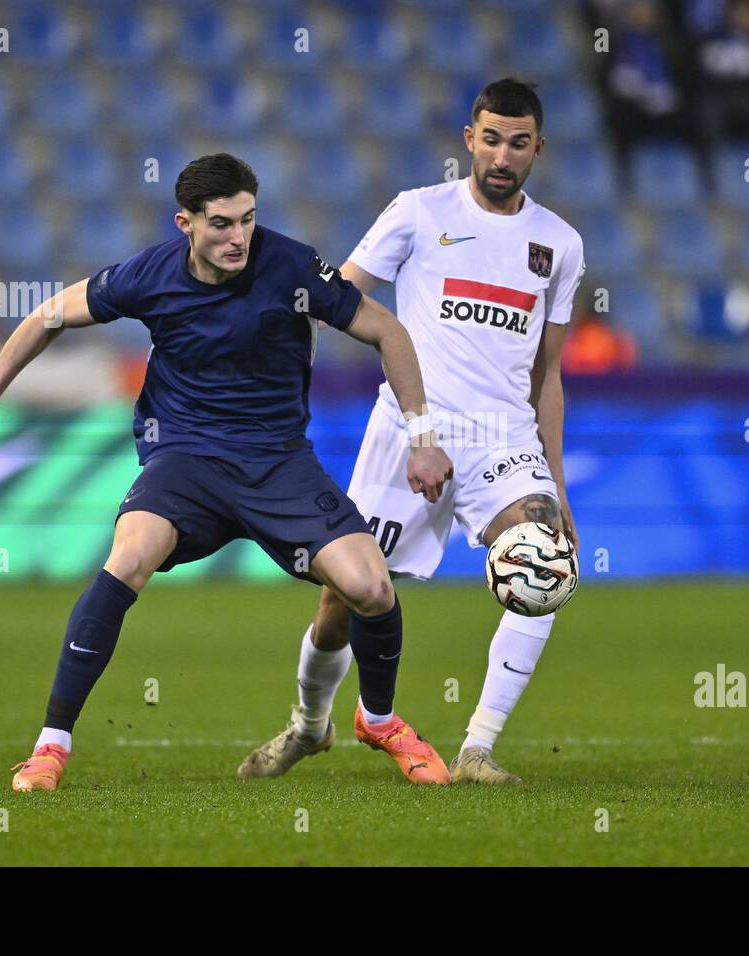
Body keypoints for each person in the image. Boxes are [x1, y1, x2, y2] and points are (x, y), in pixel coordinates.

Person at [0, 153, 454, 790]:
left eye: (247, 220)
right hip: (184, 457)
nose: (239, 237)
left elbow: (388, 330)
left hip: (277, 462)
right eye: (221, 224)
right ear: (185, 222)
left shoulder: (292, 266)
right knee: (128, 557)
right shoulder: (149, 275)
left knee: (372, 588)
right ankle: (50, 747)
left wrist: (423, 438)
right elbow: (48, 315)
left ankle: (377, 719)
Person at [239, 79, 585, 786]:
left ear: (537, 149)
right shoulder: (418, 213)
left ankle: (478, 747)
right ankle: (310, 726)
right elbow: (340, 299)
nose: (502, 155)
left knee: (546, 561)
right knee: (343, 601)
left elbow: (548, 375)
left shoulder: (558, 244)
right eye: (490, 138)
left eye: (518, 143)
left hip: (503, 436)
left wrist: (558, 481)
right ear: (469, 139)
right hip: (409, 425)